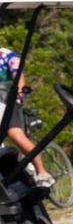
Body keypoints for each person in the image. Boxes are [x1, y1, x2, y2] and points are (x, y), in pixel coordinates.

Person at [0, 46, 53, 186]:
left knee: (15, 135)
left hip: (8, 100)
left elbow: (18, 73)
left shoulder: (5, 54)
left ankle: (42, 173)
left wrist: (19, 93)